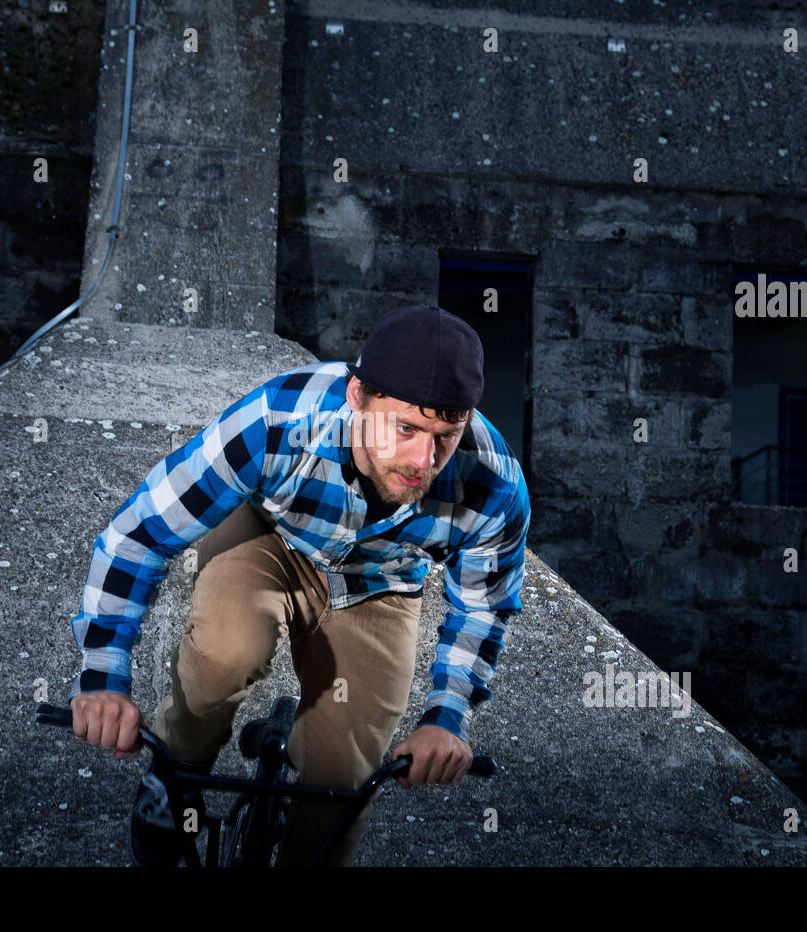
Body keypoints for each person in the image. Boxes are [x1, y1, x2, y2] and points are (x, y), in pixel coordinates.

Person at [67, 304, 531, 866]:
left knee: (343, 784)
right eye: (406, 428)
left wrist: (445, 719)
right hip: (267, 535)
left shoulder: (496, 484)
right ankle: (177, 774)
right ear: (357, 395)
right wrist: (102, 676)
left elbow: (483, 607)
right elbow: (137, 536)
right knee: (225, 652)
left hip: (378, 582)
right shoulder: (274, 421)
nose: (422, 459)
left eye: (446, 435)